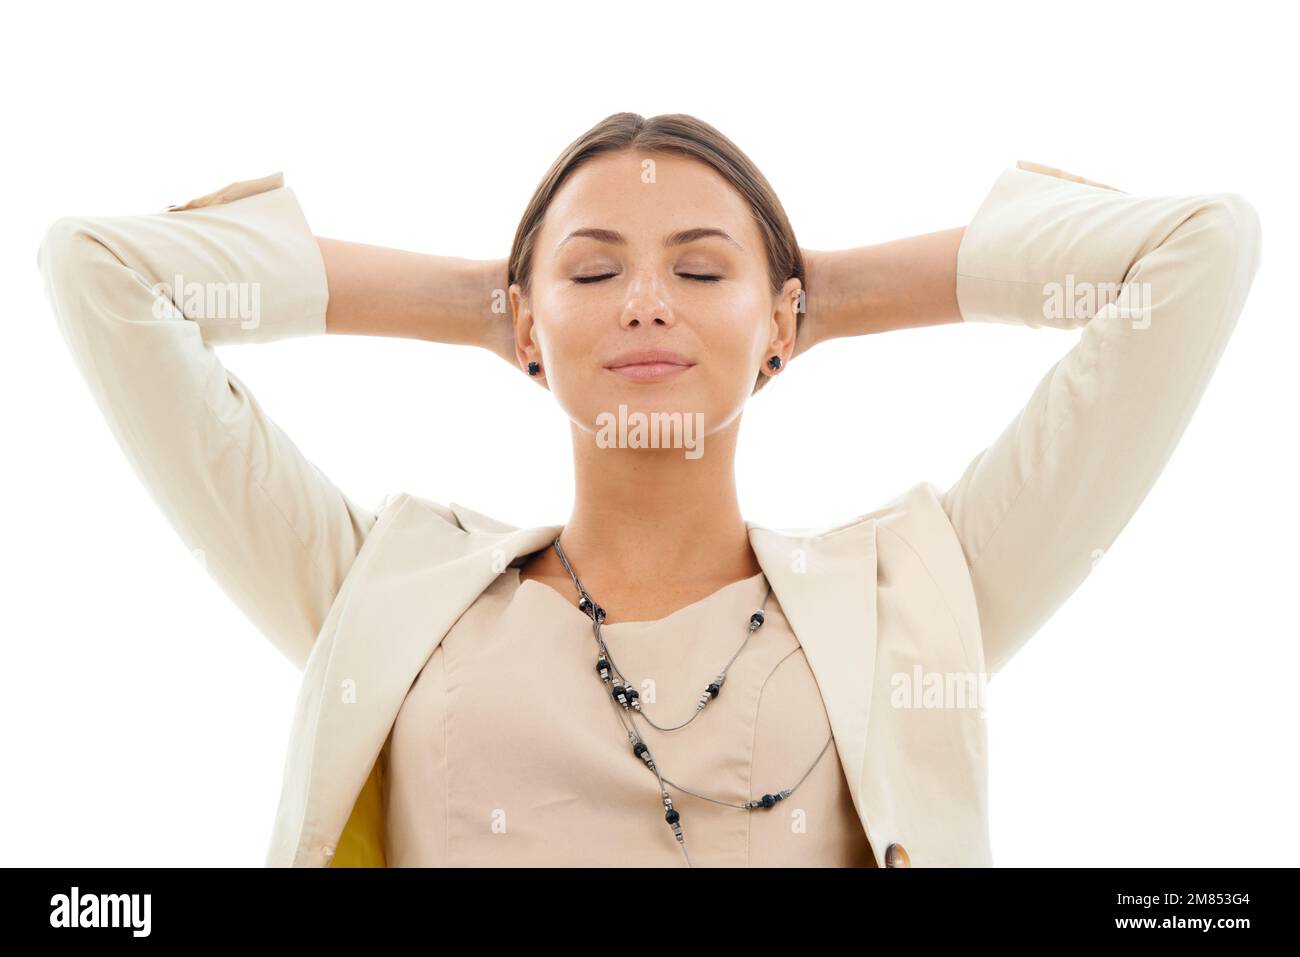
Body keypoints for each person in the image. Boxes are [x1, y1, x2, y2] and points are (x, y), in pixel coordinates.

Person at [36, 113, 1261, 867]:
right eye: (594, 270)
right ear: (527, 321)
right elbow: (100, 271)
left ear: (777, 315)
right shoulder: (389, 596)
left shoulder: (909, 600)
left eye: (698, 266)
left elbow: (1197, 250)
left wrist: (818, 297)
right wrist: (485, 304)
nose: (644, 298)